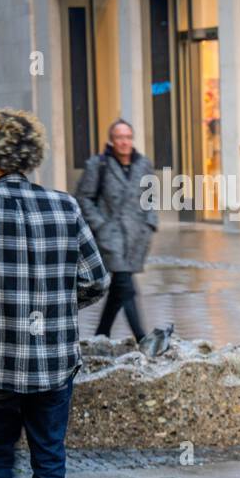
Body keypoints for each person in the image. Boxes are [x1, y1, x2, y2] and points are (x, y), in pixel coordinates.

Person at [0, 108, 109, 478]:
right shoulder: (64, 205)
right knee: (49, 459)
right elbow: (95, 280)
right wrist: (55, 307)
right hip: (54, 361)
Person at [76, 118, 158, 342]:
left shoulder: (143, 164)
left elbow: (150, 197)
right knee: (125, 284)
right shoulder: (98, 165)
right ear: (112, 140)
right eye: (119, 137)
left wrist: (150, 222)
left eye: (128, 137)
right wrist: (100, 225)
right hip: (110, 235)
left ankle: (101, 333)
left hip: (137, 236)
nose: (124, 142)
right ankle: (142, 338)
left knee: (119, 289)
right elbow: (83, 198)